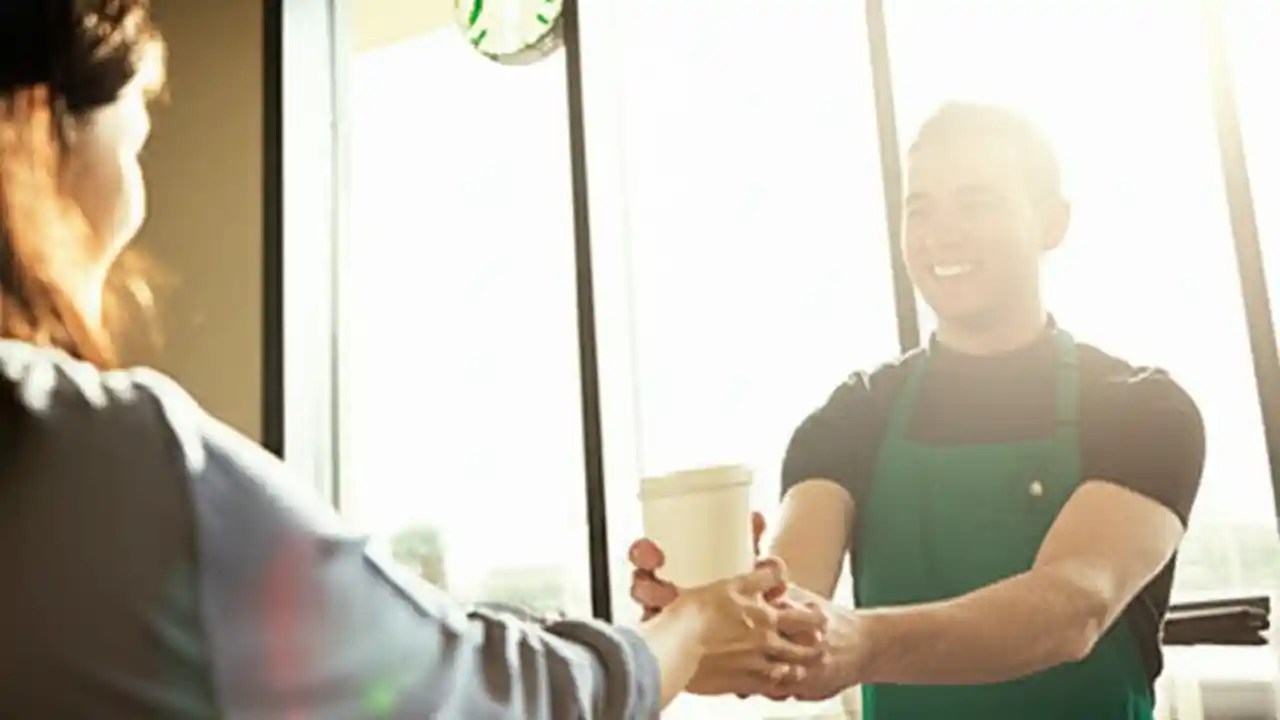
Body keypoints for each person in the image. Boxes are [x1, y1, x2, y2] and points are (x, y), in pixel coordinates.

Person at [0, 2, 829, 717]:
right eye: (137, 142)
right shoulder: (106, 459)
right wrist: (684, 632)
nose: (137, 200)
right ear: (40, 129)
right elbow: (461, 691)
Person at [631, 101, 1206, 719]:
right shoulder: (854, 416)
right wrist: (711, 616)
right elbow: (790, 612)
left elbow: (1073, 606)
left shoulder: (1143, 410)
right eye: (920, 209)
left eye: (976, 202)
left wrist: (867, 643)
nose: (941, 233)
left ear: (1052, 222)